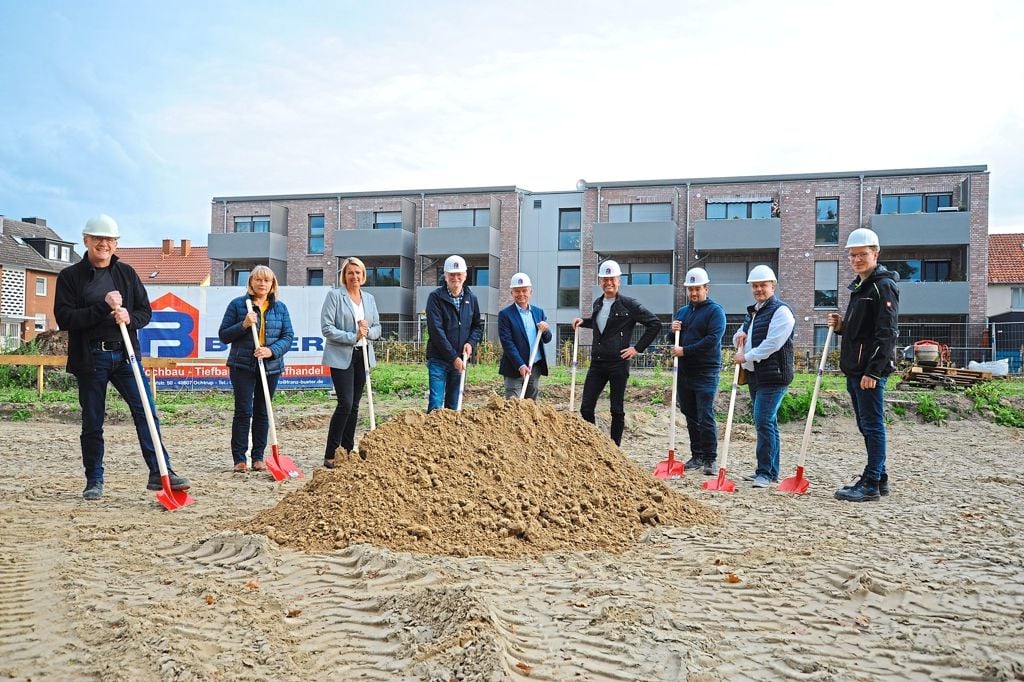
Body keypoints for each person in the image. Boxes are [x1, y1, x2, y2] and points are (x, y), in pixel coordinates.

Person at [54, 214, 191, 501]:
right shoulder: (70, 277)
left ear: (116, 243)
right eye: (98, 238)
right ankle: (94, 480)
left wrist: (129, 318)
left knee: (147, 412)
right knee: (93, 420)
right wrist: (103, 309)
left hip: (126, 356)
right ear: (86, 240)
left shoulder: (126, 274)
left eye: (109, 239)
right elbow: (65, 318)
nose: (104, 244)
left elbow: (145, 312)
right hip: (91, 358)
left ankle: (160, 471)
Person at [828, 228, 899, 502]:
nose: (857, 259)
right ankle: (879, 478)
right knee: (865, 425)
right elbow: (862, 331)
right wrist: (842, 327)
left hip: (869, 372)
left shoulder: (883, 286)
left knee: (872, 425)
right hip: (855, 370)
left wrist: (873, 370)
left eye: (863, 254)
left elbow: (887, 333)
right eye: (853, 255)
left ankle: (871, 482)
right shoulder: (860, 287)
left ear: (875, 254)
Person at [572, 259, 662, 446]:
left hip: (618, 363)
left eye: (612, 279)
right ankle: (595, 445)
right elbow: (600, 324)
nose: (608, 283)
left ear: (619, 280)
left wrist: (637, 349)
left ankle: (614, 449)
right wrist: (583, 321)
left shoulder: (629, 304)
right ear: (600, 281)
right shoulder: (598, 303)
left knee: (616, 409)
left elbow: (655, 324)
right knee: (586, 407)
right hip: (597, 363)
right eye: (605, 279)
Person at [218, 265, 294, 473]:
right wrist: (243, 324)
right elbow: (224, 335)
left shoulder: (280, 308)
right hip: (242, 366)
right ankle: (239, 459)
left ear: (272, 285)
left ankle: (258, 457)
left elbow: (288, 337)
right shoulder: (237, 305)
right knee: (244, 411)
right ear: (251, 282)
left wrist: (271, 351)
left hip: (271, 367)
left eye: (266, 280)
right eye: (258, 280)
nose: (262, 284)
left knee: (263, 411)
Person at [733, 265, 795, 489]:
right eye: (755, 286)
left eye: (763, 285)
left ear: (773, 286)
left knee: (762, 420)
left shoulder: (781, 312)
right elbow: (740, 336)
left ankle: (765, 473)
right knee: (769, 422)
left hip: (775, 376)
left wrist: (747, 355)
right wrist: (739, 337)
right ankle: (771, 470)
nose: (759, 289)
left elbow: (772, 344)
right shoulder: (753, 312)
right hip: (755, 374)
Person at [321, 257, 382, 466]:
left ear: (363, 275)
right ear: (344, 276)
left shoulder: (370, 299)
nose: (354, 276)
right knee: (345, 403)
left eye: (358, 273)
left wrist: (368, 332)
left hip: (362, 355)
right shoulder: (335, 296)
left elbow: (377, 328)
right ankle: (331, 453)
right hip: (341, 355)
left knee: (355, 405)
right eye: (350, 273)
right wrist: (353, 336)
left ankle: (347, 450)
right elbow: (327, 328)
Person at [670, 267, 727, 476]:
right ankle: (697, 454)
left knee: (705, 415)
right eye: (690, 289)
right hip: (685, 372)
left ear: (706, 288)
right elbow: (674, 341)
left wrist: (685, 350)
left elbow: (712, 341)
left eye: (697, 289)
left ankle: (710, 459)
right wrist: (673, 331)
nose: (693, 293)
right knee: (690, 415)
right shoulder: (683, 312)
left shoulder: (715, 311)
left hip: (706, 372)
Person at [425, 255, 483, 411]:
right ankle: (432, 434)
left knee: (454, 404)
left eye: (459, 274)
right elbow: (436, 332)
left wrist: (471, 343)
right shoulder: (435, 298)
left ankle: (452, 436)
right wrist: (453, 358)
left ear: (465, 276)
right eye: (452, 274)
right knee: (436, 403)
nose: (455, 278)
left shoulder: (472, 298)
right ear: (445, 276)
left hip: (460, 360)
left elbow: (477, 326)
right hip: (438, 359)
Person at [498, 272, 552, 400]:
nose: (521, 294)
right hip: (513, 366)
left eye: (524, 290)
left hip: (534, 366)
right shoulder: (505, 315)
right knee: (513, 404)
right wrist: (520, 365)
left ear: (530, 292)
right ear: (512, 293)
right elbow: (507, 343)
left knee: (531, 405)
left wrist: (545, 330)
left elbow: (547, 338)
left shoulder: (539, 312)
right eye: (517, 291)